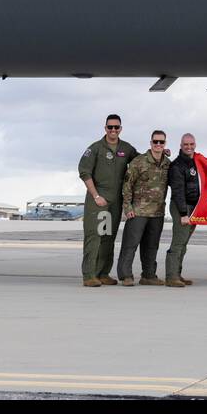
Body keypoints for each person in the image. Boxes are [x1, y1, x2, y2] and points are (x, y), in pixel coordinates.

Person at [77, 114, 140, 287]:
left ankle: (103, 273)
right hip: (98, 200)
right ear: (105, 128)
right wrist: (96, 196)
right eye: (110, 127)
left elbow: (141, 161)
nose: (113, 130)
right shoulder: (96, 148)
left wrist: (159, 152)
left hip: (115, 201)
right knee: (94, 236)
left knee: (108, 237)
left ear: (121, 129)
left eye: (116, 127)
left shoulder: (126, 148)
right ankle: (89, 275)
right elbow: (84, 172)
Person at [117, 131, 172, 286]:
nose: (158, 145)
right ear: (150, 142)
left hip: (158, 212)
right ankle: (125, 275)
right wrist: (127, 207)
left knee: (152, 246)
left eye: (161, 142)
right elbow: (127, 185)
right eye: (156, 142)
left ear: (165, 144)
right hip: (138, 211)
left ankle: (148, 275)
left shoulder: (167, 163)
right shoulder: (139, 162)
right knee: (130, 244)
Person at [165, 133, 201, 287]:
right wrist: (183, 214)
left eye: (191, 144)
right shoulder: (177, 165)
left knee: (184, 242)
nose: (189, 147)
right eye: (186, 144)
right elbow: (178, 191)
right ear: (181, 146)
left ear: (195, 145)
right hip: (182, 207)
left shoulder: (197, 162)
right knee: (178, 242)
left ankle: (177, 274)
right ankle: (171, 277)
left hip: (194, 207)